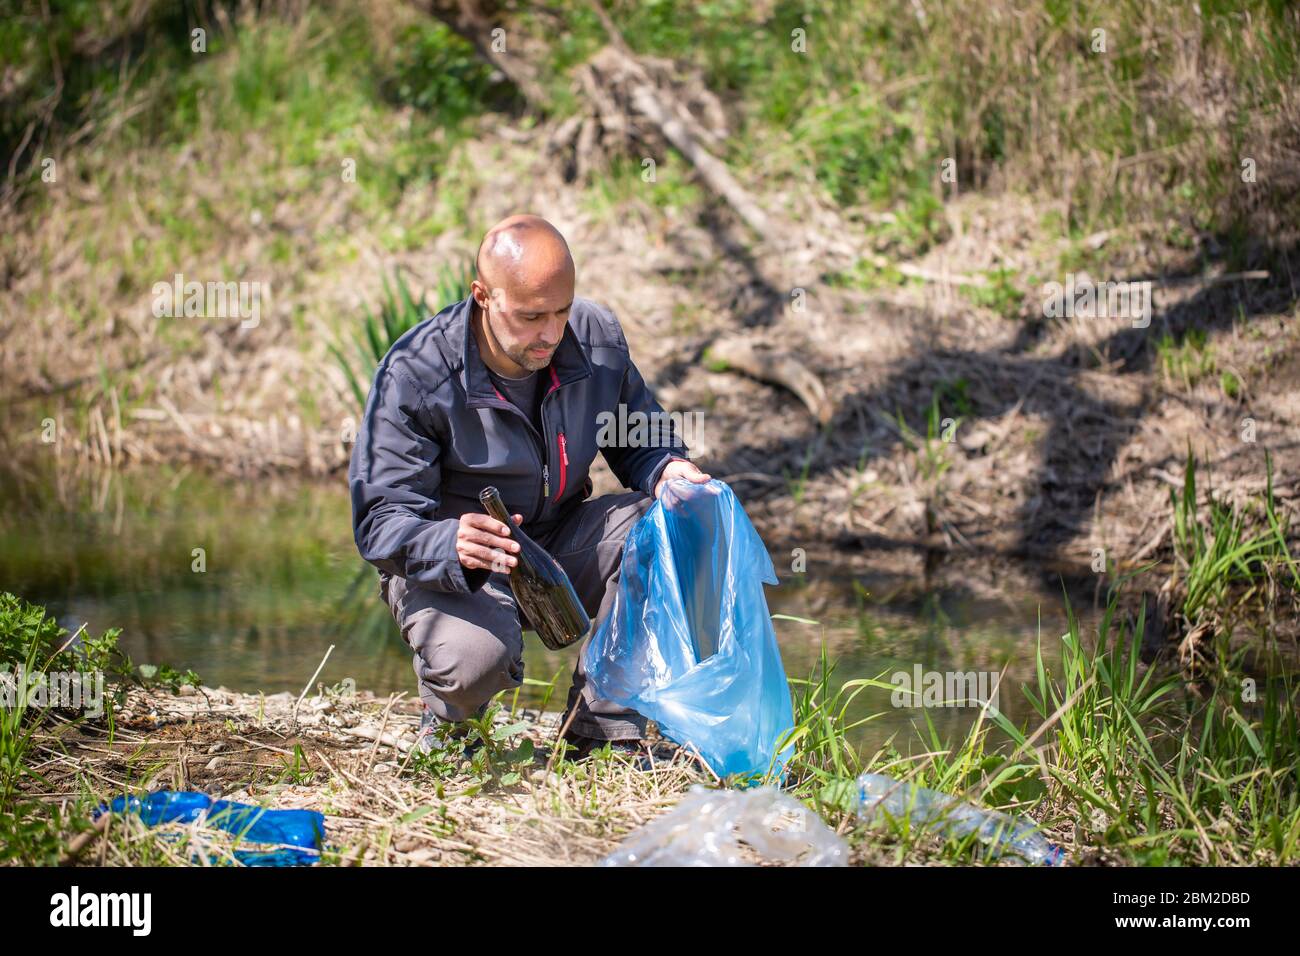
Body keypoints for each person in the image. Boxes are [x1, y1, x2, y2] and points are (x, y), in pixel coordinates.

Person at [348, 214, 710, 757]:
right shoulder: (416, 371)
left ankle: (600, 730)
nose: (551, 334)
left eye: (562, 311)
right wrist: (448, 543)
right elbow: (380, 520)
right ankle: (449, 721)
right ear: (483, 296)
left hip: (558, 537)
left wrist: (666, 468)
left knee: (668, 529)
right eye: (531, 316)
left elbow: (640, 435)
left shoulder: (594, 338)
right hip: (459, 564)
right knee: (474, 661)